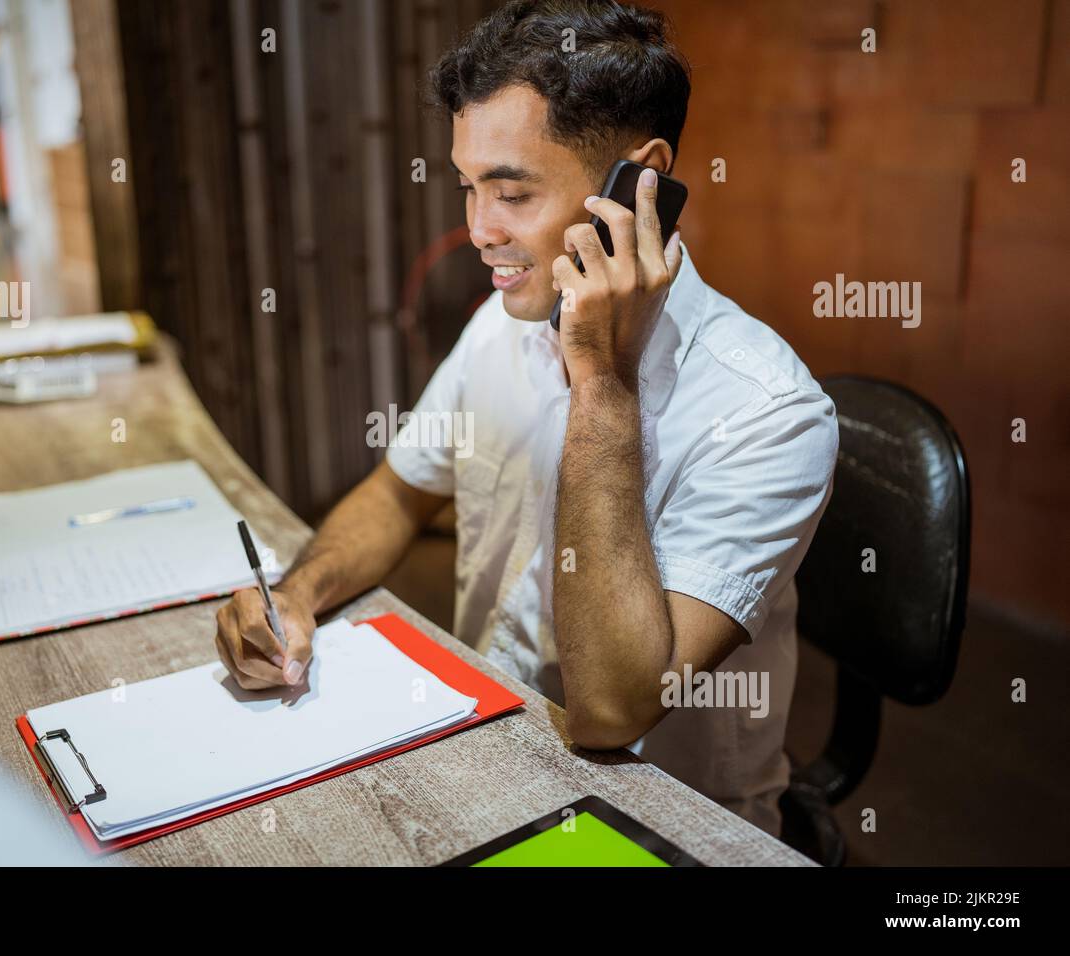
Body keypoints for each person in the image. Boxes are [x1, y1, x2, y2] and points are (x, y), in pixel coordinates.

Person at [214, 0, 838, 837]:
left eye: (511, 193)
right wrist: (296, 594)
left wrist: (602, 381)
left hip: (666, 826)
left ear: (640, 182)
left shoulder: (769, 412)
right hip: (486, 747)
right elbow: (400, 495)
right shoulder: (500, 324)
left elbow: (613, 711)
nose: (478, 231)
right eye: (469, 188)